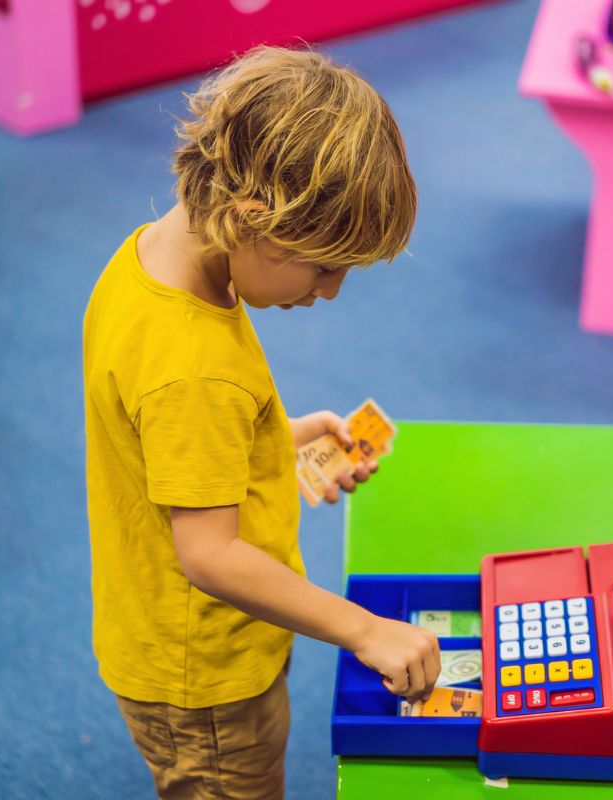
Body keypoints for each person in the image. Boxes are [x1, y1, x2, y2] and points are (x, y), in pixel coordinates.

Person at [82, 46, 440, 799]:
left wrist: (280, 435)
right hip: (206, 675)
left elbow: (171, 440)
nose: (332, 292)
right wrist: (364, 630)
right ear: (255, 221)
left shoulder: (154, 258)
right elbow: (210, 557)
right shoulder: (195, 367)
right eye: (322, 267)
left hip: (174, 636)